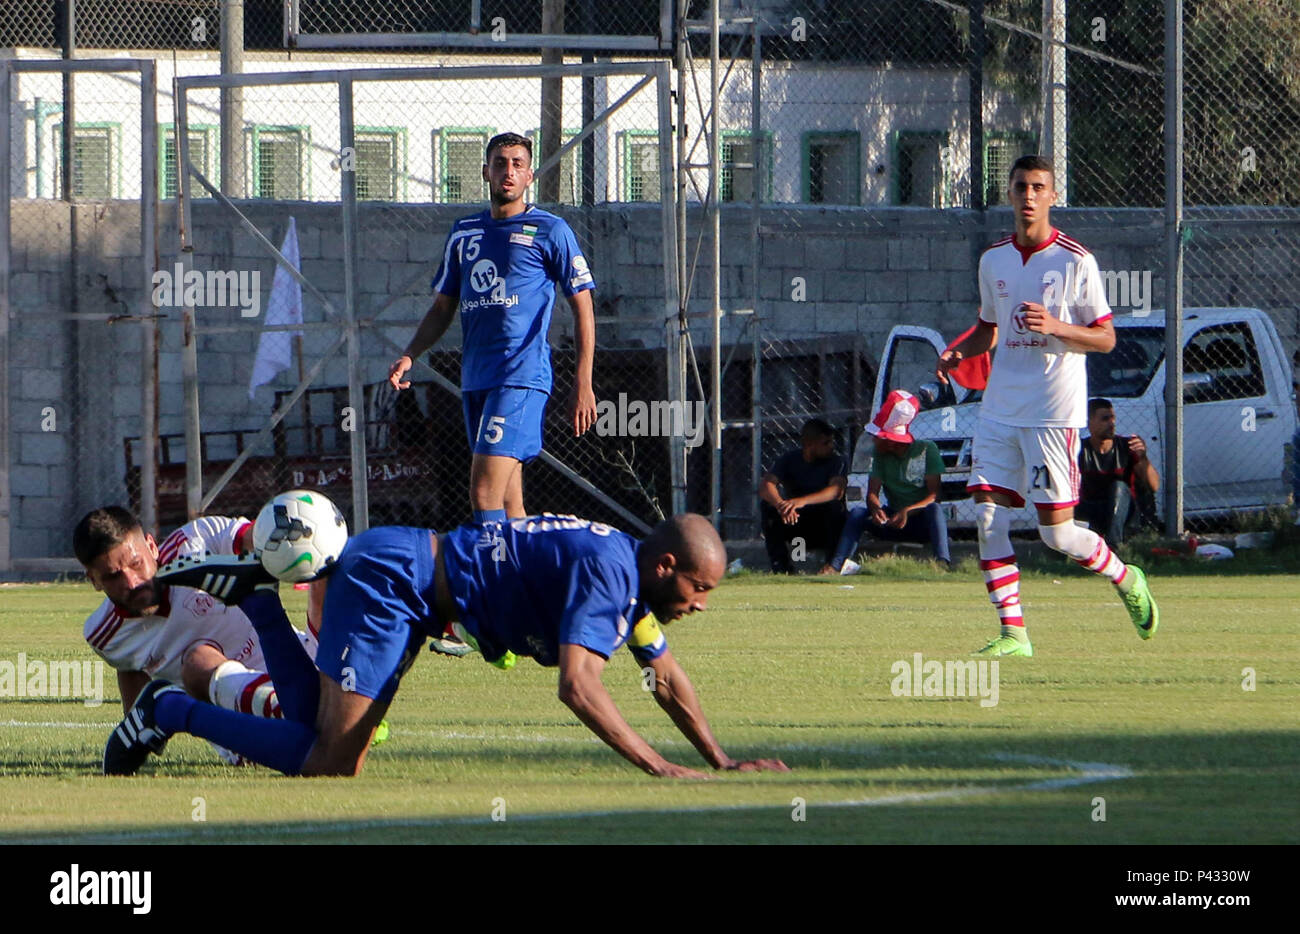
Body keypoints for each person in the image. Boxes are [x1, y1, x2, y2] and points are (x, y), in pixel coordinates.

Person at [102, 514, 791, 780]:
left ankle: (256, 596)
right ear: (666, 566)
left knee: (326, 745)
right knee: (328, 764)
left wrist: (722, 762)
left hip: (411, 592)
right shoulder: (611, 573)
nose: (700, 604)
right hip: (391, 582)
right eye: (699, 588)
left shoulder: (631, 577)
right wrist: (660, 768)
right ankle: (169, 711)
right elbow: (578, 686)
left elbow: (663, 675)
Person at [936, 154, 1159, 658]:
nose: (1029, 195)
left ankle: (1126, 577)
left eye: (1039, 187)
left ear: (1053, 196)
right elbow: (989, 331)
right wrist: (958, 352)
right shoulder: (992, 259)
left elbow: (1105, 339)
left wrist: (1057, 326)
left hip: (1051, 413)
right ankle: (1015, 634)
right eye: (1021, 186)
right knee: (988, 517)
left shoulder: (1076, 260)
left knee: (1056, 534)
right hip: (998, 411)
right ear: (1009, 193)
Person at [387, 132, 598, 525]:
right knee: (508, 504)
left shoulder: (550, 230)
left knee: (483, 491)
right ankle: (523, 580)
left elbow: (583, 305)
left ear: (530, 176)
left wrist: (583, 382)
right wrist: (409, 354)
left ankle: (490, 580)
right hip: (476, 379)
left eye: (518, 164)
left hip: (520, 378)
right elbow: (442, 307)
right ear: (486, 171)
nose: (508, 171)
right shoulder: (464, 232)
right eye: (500, 163)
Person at [74, 508, 324, 765]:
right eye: (113, 576)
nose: (132, 581)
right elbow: (131, 686)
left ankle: (343, 687)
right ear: (93, 580)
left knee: (327, 567)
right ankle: (297, 710)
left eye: (136, 563)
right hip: (247, 731)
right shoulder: (105, 635)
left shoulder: (196, 542)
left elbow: (259, 537)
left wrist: (294, 530)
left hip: (303, 663)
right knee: (198, 661)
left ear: (151, 546)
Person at [823, 390, 951, 574]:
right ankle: (836, 566)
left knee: (935, 509)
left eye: (878, 437)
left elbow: (934, 495)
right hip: (891, 520)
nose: (874, 441)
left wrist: (908, 511)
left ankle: (942, 564)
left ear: (891, 441)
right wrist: (876, 509)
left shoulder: (927, 450)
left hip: (919, 521)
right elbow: (872, 493)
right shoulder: (880, 455)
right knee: (858, 513)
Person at [758, 418, 848, 573]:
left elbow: (836, 491)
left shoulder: (836, 461)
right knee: (767, 507)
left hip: (821, 522)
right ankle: (781, 569)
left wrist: (802, 501)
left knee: (835, 508)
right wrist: (781, 505)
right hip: (794, 519)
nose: (831, 447)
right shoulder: (789, 459)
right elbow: (766, 485)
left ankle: (831, 566)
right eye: (826, 443)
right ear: (809, 444)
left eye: (832, 442)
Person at [1075, 397, 1160, 548]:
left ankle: (1114, 546)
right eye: (1105, 419)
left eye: (1112, 418)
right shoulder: (1079, 450)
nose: (1111, 423)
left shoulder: (1127, 446)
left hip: (1126, 512)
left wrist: (1143, 458)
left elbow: (1154, 485)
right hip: (1093, 511)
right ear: (1089, 423)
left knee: (1118, 487)